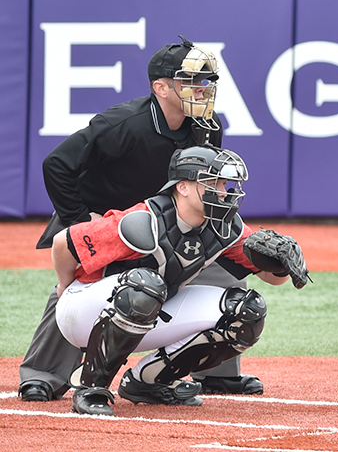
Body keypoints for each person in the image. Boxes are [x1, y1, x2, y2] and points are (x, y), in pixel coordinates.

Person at [18, 36, 261, 403]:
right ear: (160, 88)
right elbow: (57, 164)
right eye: (192, 81)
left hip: (164, 218)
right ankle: (44, 375)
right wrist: (80, 220)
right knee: (82, 280)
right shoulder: (125, 123)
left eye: (206, 81)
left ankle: (217, 373)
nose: (203, 89)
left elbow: (201, 184)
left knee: (219, 268)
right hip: (106, 221)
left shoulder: (207, 126)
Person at [52, 145, 306, 416]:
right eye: (212, 182)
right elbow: (63, 243)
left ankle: (149, 382)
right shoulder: (144, 221)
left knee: (246, 312)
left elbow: (272, 280)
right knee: (145, 287)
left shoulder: (224, 226)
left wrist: (279, 266)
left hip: (148, 306)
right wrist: (64, 286)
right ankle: (90, 387)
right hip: (83, 311)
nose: (222, 191)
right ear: (182, 187)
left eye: (224, 183)